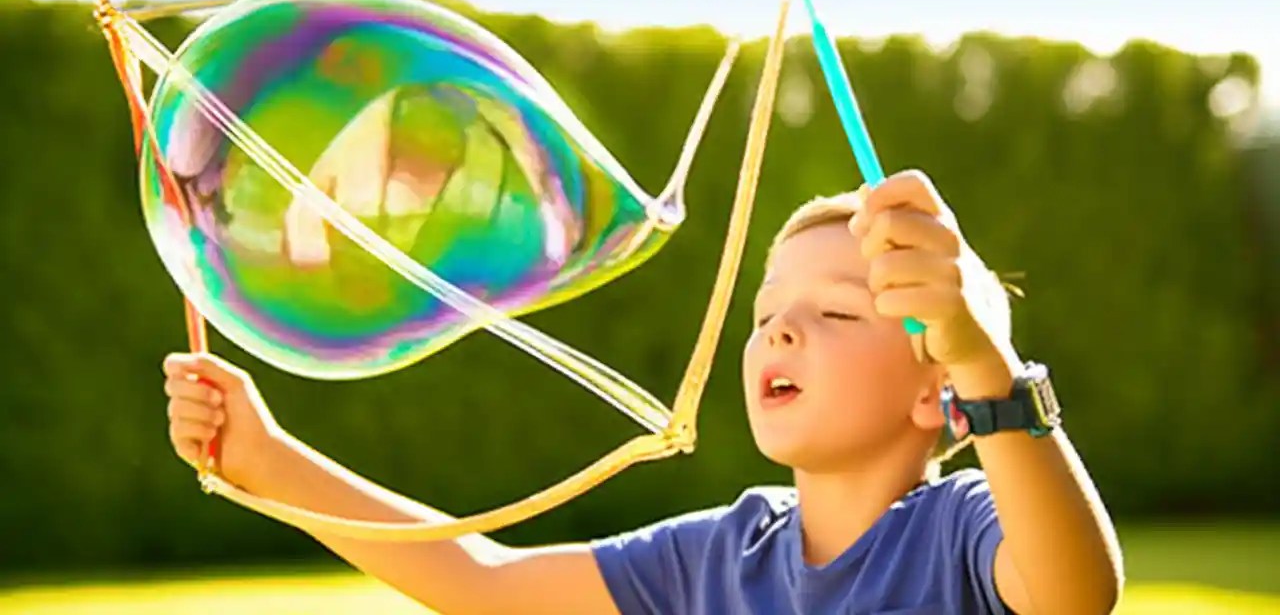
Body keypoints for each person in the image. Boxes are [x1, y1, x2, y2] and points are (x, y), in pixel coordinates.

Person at [162, 170, 1123, 614]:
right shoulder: (713, 560)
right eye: (767, 313)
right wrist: (266, 460)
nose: (782, 330)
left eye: (837, 315)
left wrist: (984, 360)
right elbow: (481, 581)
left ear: (937, 396)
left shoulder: (960, 534)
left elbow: (1078, 593)